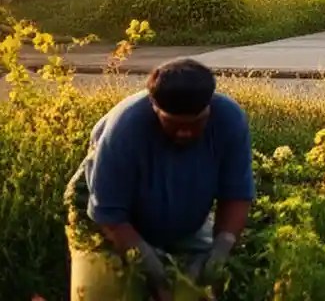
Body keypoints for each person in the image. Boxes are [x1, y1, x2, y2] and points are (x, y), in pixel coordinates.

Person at [66, 59, 254, 301]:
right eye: (174, 124)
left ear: (209, 109)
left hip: (184, 219)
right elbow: (109, 213)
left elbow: (236, 194)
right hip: (109, 221)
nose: (184, 132)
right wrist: (148, 264)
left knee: (200, 286)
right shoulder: (124, 129)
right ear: (155, 108)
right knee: (111, 292)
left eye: (195, 124)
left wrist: (222, 247)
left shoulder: (229, 120)